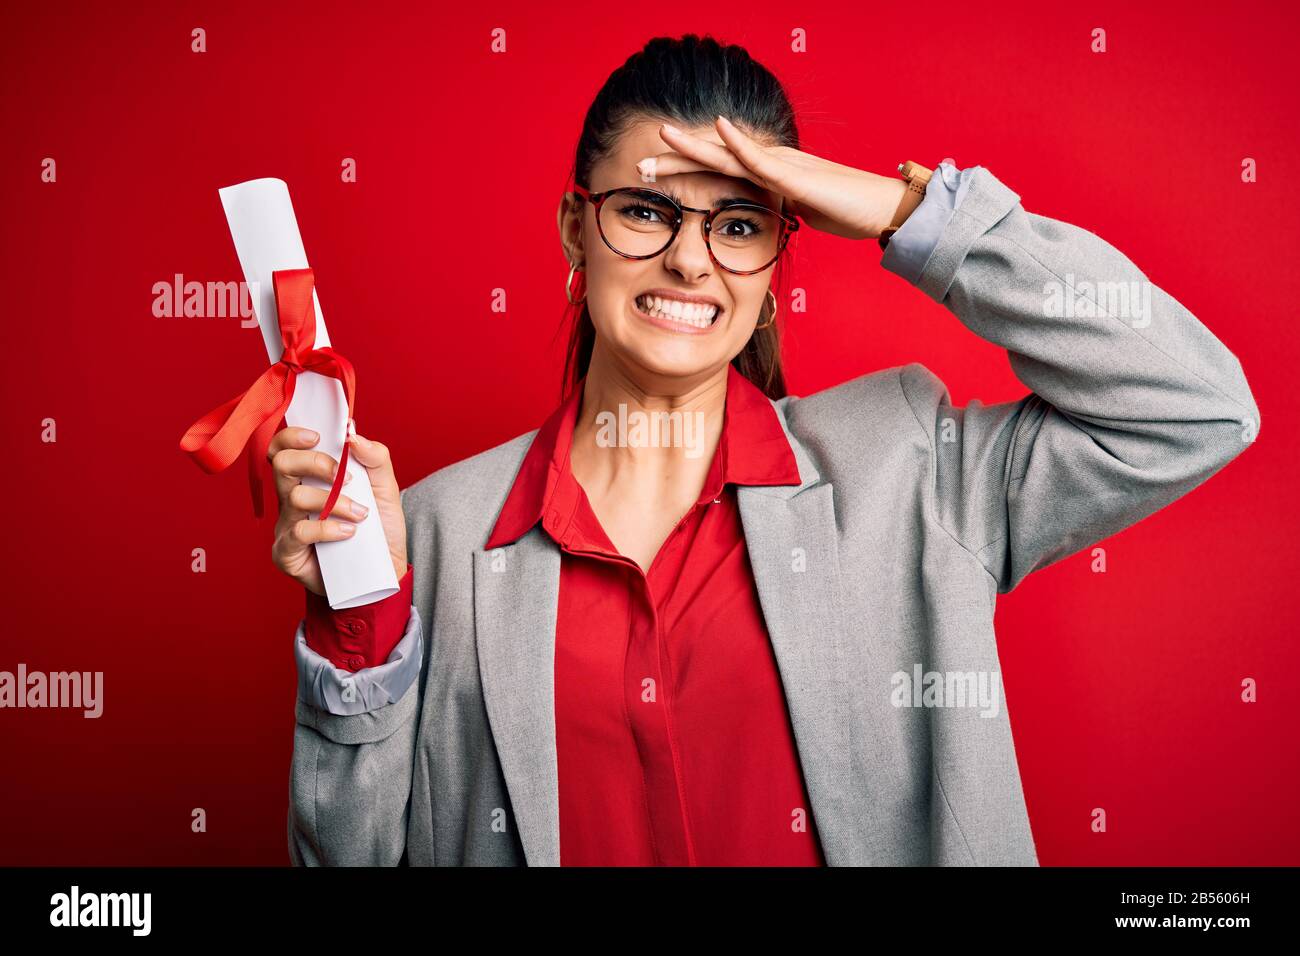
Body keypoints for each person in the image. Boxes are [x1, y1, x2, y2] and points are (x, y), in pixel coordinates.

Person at [270, 34, 1259, 866]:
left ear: (783, 246)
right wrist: (362, 614)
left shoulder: (909, 469)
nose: (690, 257)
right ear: (576, 226)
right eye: (647, 209)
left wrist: (906, 212)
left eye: (739, 222)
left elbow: (1193, 407)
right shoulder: (436, 534)